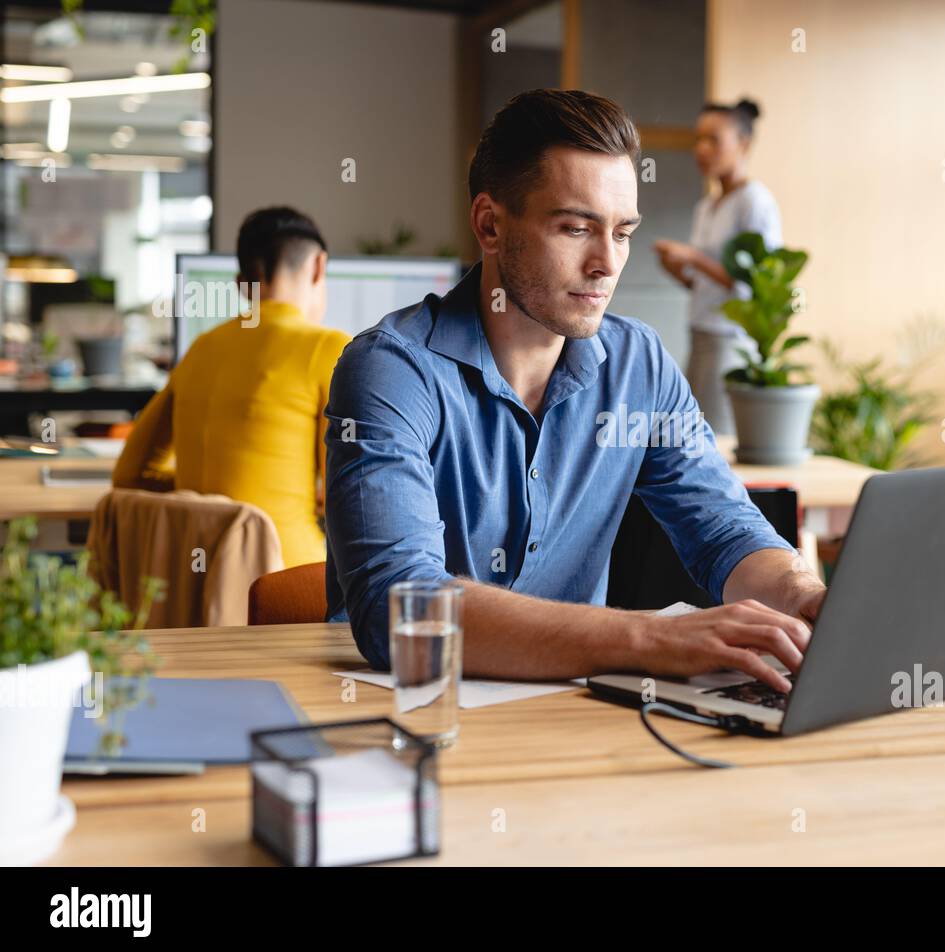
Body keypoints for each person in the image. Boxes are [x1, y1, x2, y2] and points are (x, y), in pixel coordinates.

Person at [325, 89, 825, 691]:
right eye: (575, 228)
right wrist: (652, 639)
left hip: (575, 718)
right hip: (408, 719)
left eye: (622, 232)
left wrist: (804, 596)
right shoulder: (391, 370)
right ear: (489, 224)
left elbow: (724, 531)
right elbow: (399, 607)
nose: (607, 262)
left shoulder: (638, 364)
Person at [113, 206, 349, 569]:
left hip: (195, 577)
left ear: (242, 284)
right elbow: (347, 492)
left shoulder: (201, 347)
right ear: (319, 266)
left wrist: (212, 501)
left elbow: (130, 474)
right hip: (285, 578)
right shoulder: (328, 348)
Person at [653, 98, 783, 435]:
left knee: (716, 437)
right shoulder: (707, 206)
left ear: (743, 144)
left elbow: (756, 284)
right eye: (698, 139)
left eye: (713, 139)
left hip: (730, 339)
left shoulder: (754, 202)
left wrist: (693, 257)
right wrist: (676, 268)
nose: (702, 149)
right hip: (702, 332)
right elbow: (704, 284)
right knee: (689, 432)